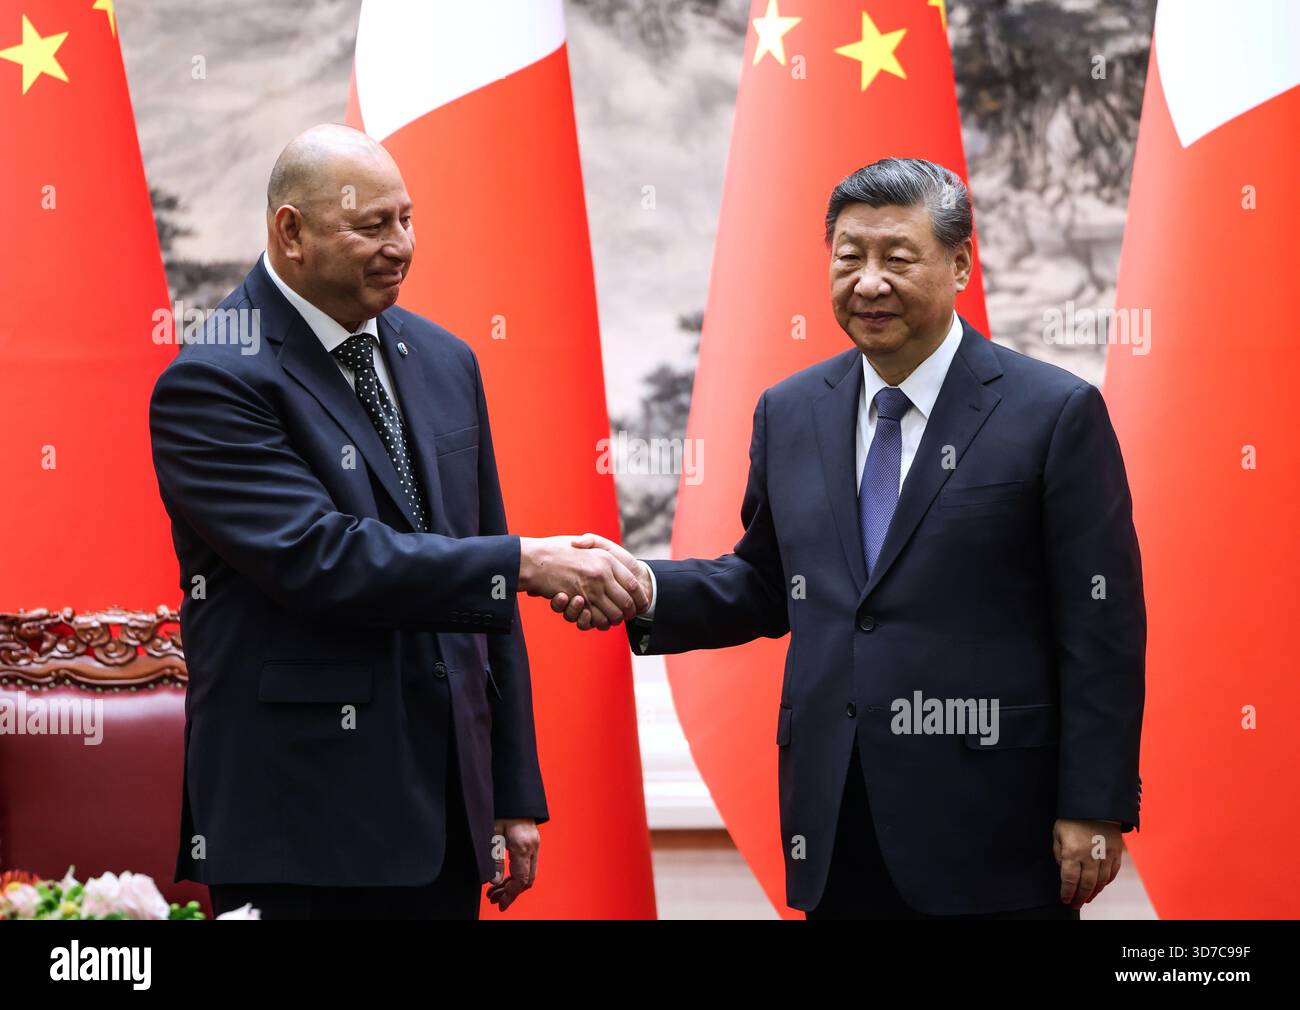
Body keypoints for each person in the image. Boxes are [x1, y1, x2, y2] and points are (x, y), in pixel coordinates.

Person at [554, 158, 1145, 920]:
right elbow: (767, 583)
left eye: (897, 258)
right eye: (849, 258)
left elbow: (1102, 628)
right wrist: (640, 585)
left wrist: (1094, 804)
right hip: (837, 817)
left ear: (961, 262)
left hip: (995, 825)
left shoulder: (1053, 414)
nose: (869, 282)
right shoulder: (792, 411)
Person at [149, 124, 647, 920]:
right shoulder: (213, 380)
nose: (401, 246)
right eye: (372, 226)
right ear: (292, 232)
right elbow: (323, 560)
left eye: (407, 219)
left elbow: (486, 600)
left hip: (447, 817)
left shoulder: (446, 359)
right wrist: (523, 561)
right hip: (303, 823)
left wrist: (510, 791)